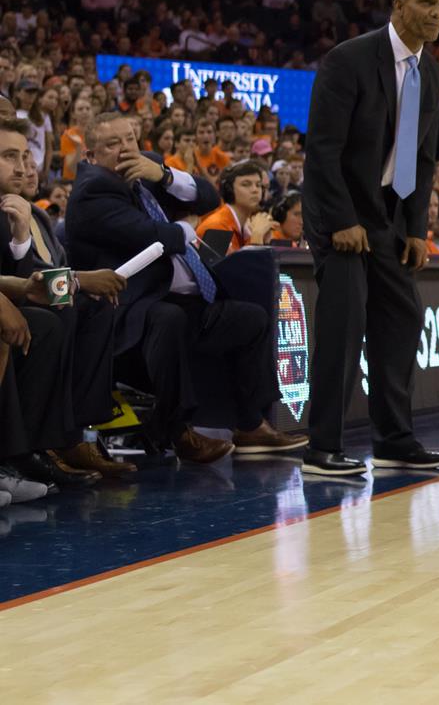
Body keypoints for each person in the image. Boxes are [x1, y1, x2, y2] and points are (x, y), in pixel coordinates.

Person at [67, 113, 302, 464]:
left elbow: (207, 199)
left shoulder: (147, 171)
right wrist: (184, 229)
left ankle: (251, 425)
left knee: (250, 319)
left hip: (178, 298)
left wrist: (163, 174)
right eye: (112, 144)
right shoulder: (91, 192)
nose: (125, 149)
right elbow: (155, 236)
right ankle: (177, 432)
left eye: (130, 139)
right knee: (169, 319)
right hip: (125, 311)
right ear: (91, 156)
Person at [300, 0, 439, 476]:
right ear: (398, 6)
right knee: (344, 323)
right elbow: (322, 150)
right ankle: (322, 447)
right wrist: (343, 218)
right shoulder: (349, 59)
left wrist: (415, 229)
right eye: (427, 3)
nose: (436, 13)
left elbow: (421, 158)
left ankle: (394, 440)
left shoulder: (429, 70)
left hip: (388, 214)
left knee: (402, 316)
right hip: (339, 208)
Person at [0, 119, 130, 481]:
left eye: (27, 157)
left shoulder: (35, 214)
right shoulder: (20, 211)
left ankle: (70, 435)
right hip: (30, 301)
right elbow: (35, 278)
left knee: (90, 308)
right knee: (56, 314)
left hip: (32, 295)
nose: (25, 167)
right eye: (12, 157)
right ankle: (37, 446)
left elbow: (37, 275)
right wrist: (80, 280)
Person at [196, 161, 275, 252]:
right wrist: (257, 236)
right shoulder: (216, 226)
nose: (255, 190)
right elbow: (239, 266)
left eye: (258, 185)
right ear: (229, 190)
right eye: (246, 184)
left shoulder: (246, 226)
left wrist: (265, 241)